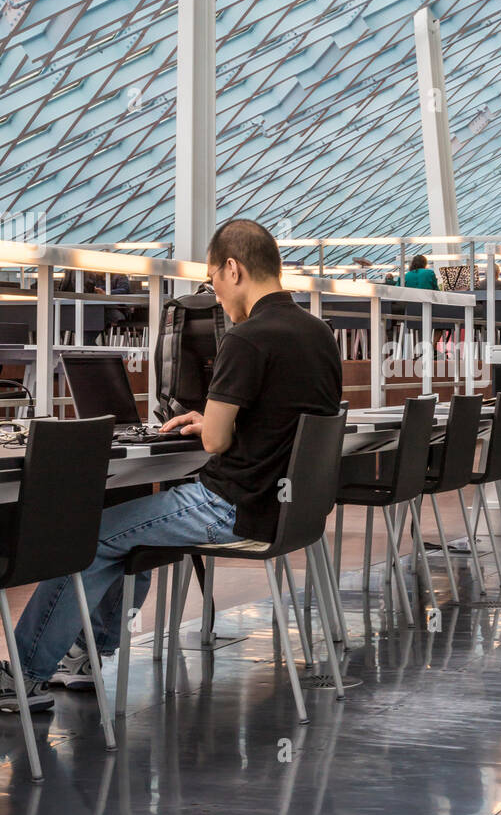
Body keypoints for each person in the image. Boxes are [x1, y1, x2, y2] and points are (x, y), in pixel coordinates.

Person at [0, 219, 342, 711]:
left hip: (230, 506)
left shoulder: (247, 339)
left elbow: (220, 442)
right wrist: (213, 417)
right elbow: (277, 419)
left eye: (213, 281)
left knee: (90, 539)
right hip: (285, 508)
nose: (216, 294)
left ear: (233, 268)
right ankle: (84, 655)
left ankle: (26, 674)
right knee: (125, 529)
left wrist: (211, 423)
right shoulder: (317, 333)